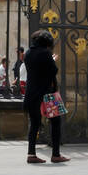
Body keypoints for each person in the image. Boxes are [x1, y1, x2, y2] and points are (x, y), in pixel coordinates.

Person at [23, 29, 69, 163]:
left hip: (32, 93)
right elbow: (53, 71)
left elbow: (37, 70)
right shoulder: (45, 53)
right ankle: (55, 154)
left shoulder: (28, 53)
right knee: (55, 122)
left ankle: (31, 154)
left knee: (34, 124)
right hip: (48, 94)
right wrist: (52, 60)